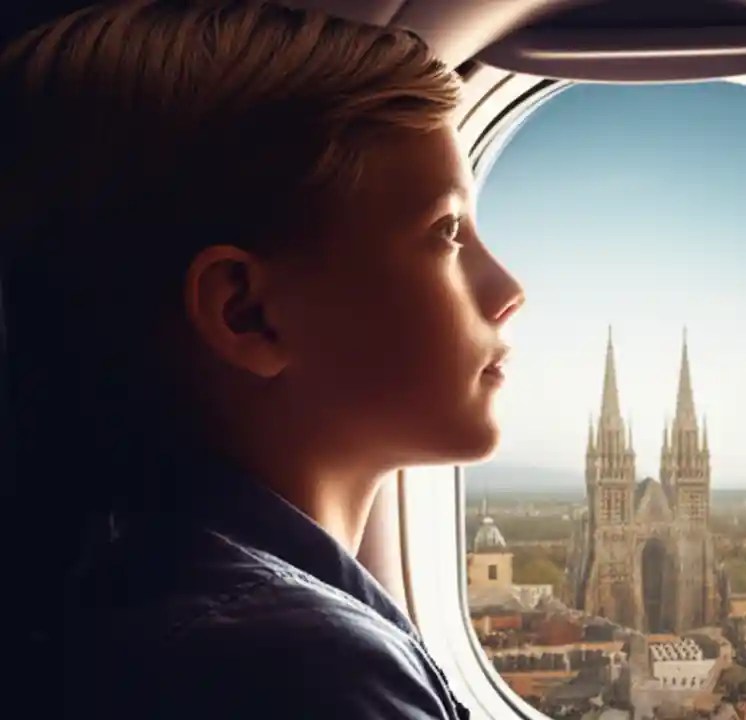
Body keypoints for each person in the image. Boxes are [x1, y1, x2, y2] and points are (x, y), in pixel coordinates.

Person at [0, 1, 523, 717]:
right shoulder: (301, 665)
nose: (510, 290)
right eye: (448, 232)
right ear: (247, 314)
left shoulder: (152, 585)